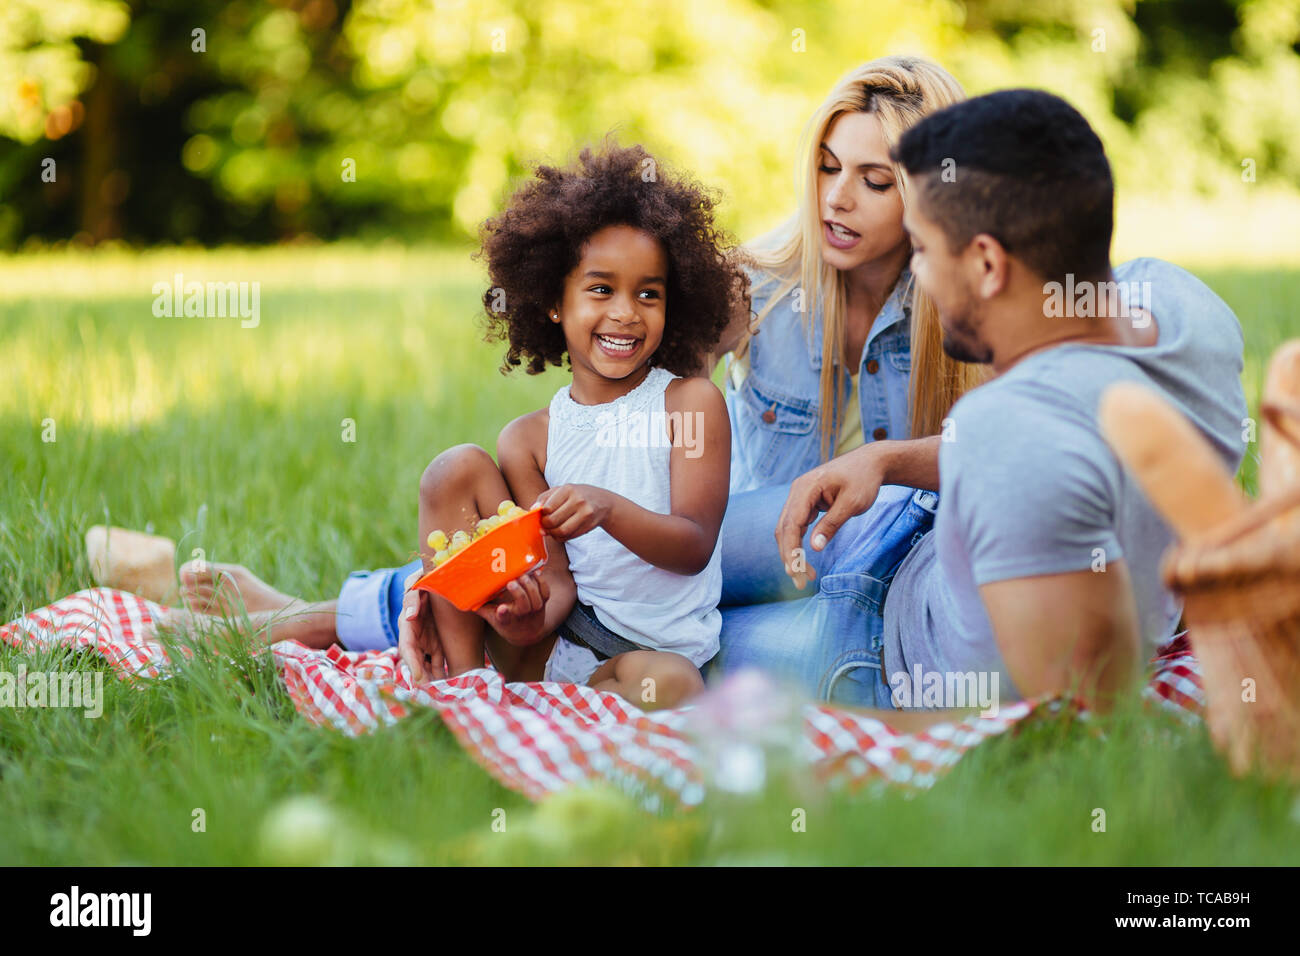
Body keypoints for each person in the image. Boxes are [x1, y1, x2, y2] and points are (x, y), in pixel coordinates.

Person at [162, 56, 988, 698]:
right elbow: (646, 415)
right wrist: (569, 480)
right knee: (628, 571)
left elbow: (1003, 442)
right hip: (751, 538)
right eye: (827, 168)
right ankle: (315, 618)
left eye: (876, 182)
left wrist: (886, 463)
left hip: (846, 555)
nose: (838, 199)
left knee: (804, 611)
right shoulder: (763, 288)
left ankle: (323, 615)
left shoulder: (963, 304)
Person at [171, 141, 746, 711]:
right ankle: (466, 687)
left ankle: (571, 704)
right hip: (553, 647)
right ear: (553, 302)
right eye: (601, 289)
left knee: (675, 685)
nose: (625, 311)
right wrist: (519, 617)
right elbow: (561, 587)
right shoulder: (529, 440)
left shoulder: (689, 404)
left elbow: (693, 545)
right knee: (457, 468)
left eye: (649, 293)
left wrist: (609, 507)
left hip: (647, 661)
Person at [764, 88, 1247, 713]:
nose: (921, 279)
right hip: (904, 526)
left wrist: (846, 724)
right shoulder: (1184, 305)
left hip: (871, 655)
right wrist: (884, 461)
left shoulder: (1008, 426)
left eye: (924, 251)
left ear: (988, 264)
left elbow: (1041, 719)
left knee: (668, 649)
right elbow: (1062, 454)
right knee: (662, 569)